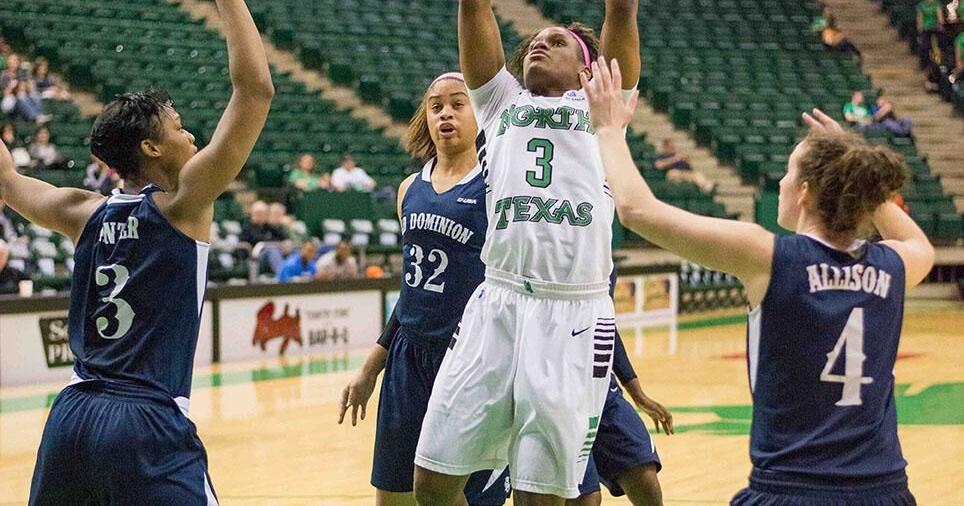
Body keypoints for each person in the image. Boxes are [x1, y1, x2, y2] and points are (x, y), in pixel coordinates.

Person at [584, 57, 932, 506]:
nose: (783, 182)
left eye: (789, 173)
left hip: (792, 489)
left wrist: (609, 130)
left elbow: (637, 212)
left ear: (804, 191)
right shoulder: (894, 265)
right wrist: (855, 164)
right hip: (885, 491)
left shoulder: (770, 257)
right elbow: (917, 240)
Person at [6, 0, 273, 503]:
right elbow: (255, 91)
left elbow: (5, 178)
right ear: (151, 148)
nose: (191, 135)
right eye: (177, 127)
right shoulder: (184, 202)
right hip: (146, 422)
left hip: (72, 418)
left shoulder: (80, 211)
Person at [413, 2, 641, 504]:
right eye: (536, 39)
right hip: (498, 300)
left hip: (572, 313)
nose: (540, 42)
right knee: (431, 480)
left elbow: (621, 13)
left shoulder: (602, 109)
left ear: (588, 70)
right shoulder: (499, 103)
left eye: (557, 41)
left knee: (539, 495)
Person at [338, 72, 510, 506]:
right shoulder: (408, 190)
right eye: (436, 106)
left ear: (481, 114)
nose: (446, 114)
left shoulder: (496, 188)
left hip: (471, 361)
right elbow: (410, 297)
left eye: (458, 103)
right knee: (392, 496)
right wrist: (371, 368)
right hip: (407, 361)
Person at [241, 200, 288, 275]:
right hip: (254, 260)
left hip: (274, 256)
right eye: (258, 213)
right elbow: (244, 250)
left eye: (263, 213)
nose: (261, 216)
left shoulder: (270, 227)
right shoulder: (247, 228)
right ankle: (283, 276)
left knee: (294, 247)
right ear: (252, 214)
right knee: (271, 249)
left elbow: (284, 238)